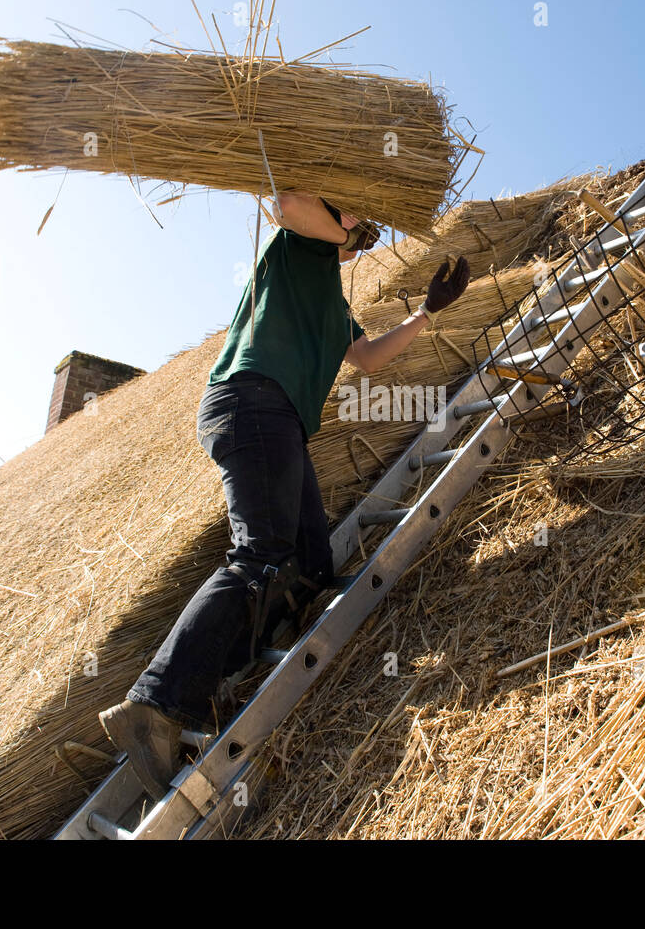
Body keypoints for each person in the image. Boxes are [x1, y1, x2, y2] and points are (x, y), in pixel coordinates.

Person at [98, 191, 471, 799]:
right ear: (337, 214)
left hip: (282, 424)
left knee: (311, 567)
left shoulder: (327, 292)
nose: (362, 230)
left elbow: (368, 358)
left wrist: (427, 312)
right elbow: (286, 203)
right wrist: (344, 231)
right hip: (250, 402)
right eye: (354, 216)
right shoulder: (298, 245)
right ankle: (154, 703)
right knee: (262, 554)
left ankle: (222, 672)